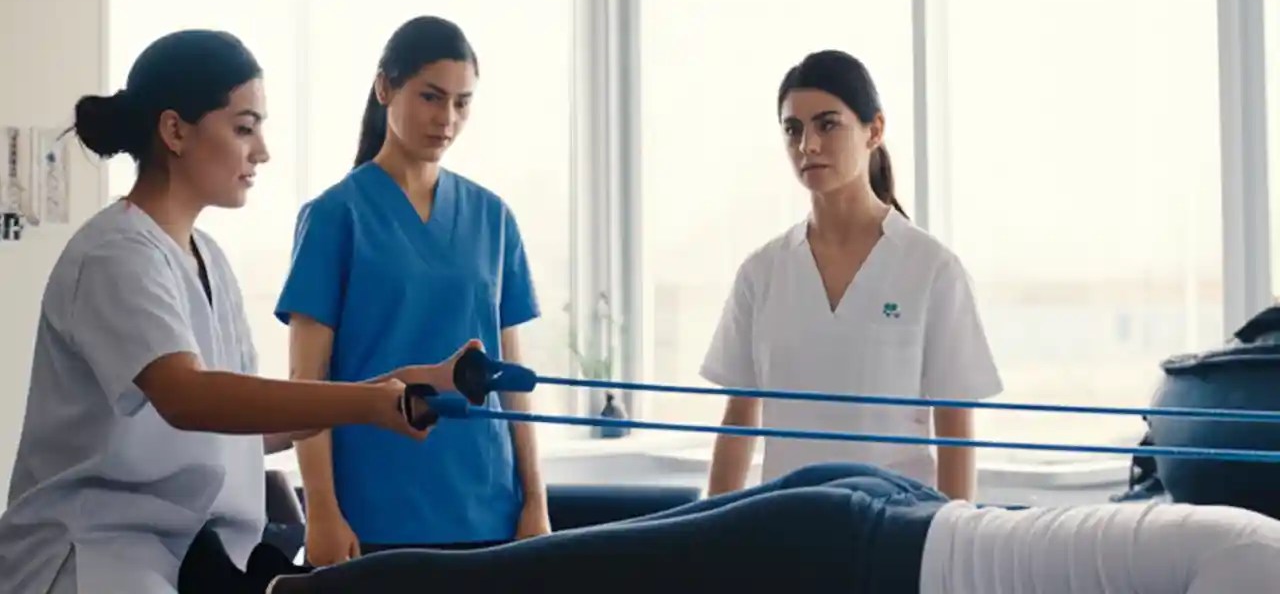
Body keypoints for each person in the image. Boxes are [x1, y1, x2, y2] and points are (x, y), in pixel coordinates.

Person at [0, 29, 469, 594]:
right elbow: (189, 396)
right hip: (95, 559)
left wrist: (398, 386)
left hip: (185, 555)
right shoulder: (115, 255)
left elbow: (245, 425)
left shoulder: (208, 260)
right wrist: (369, 402)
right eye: (245, 128)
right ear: (175, 130)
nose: (262, 151)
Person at [273, 15, 548, 564]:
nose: (446, 118)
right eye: (430, 96)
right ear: (384, 88)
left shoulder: (493, 218)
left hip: (486, 505)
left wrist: (535, 499)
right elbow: (308, 381)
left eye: (462, 103)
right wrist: (322, 511)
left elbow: (512, 380)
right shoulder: (334, 217)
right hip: (374, 510)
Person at [180, 461, 1280, 594]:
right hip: (859, 550)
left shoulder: (1250, 540)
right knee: (538, 584)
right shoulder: (1254, 560)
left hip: (886, 518)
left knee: (549, 569)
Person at [701, 50, 1003, 499]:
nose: (808, 146)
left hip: (896, 530)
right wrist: (711, 540)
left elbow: (955, 427)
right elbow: (739, 420)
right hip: (781, 528)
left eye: (827, 125)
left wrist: (953, 546)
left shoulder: (931, 269)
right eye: (793, 130)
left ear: (874, 130)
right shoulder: (761, 273)